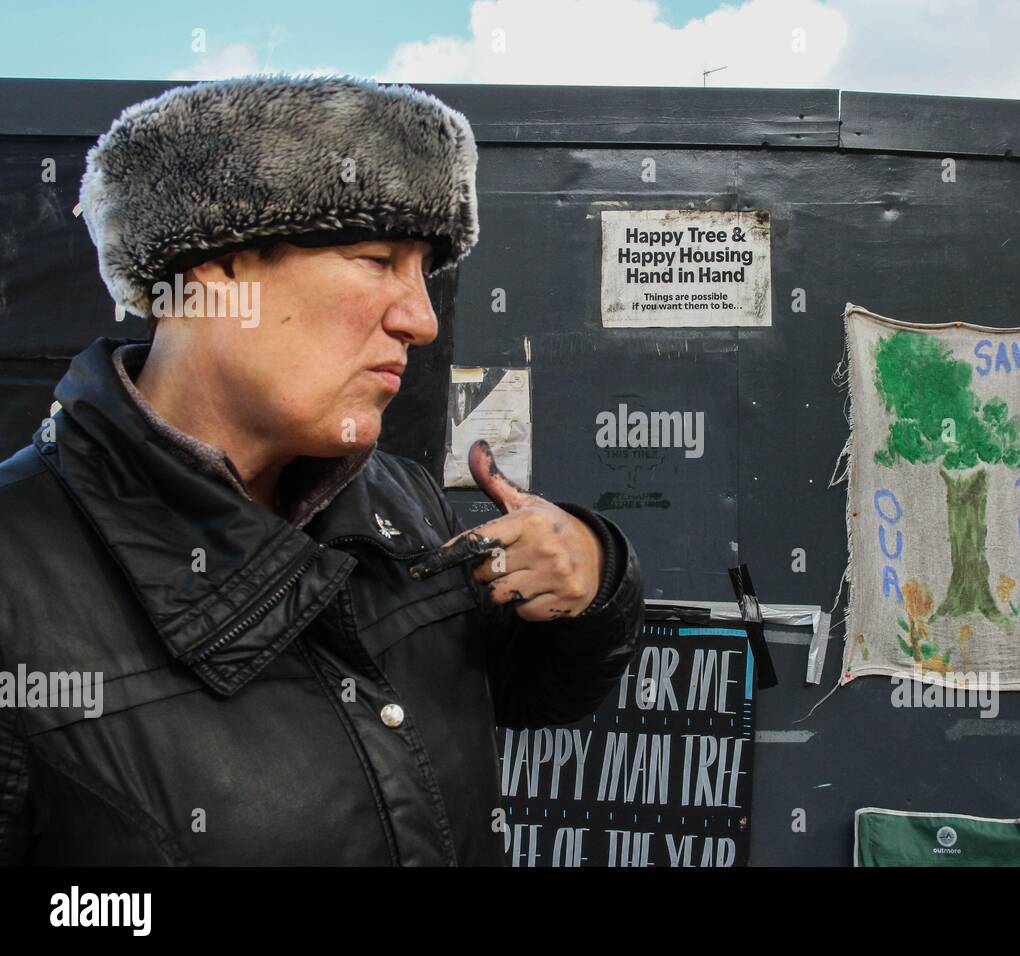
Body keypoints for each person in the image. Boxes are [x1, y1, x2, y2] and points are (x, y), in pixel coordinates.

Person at [0, 74, 645, 865]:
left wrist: (592, 578)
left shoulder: (401, 501)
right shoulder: (18, 575)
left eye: (423, 271)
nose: (421, 317)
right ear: (213, 266)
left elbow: (531, 700)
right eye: (375, 259)